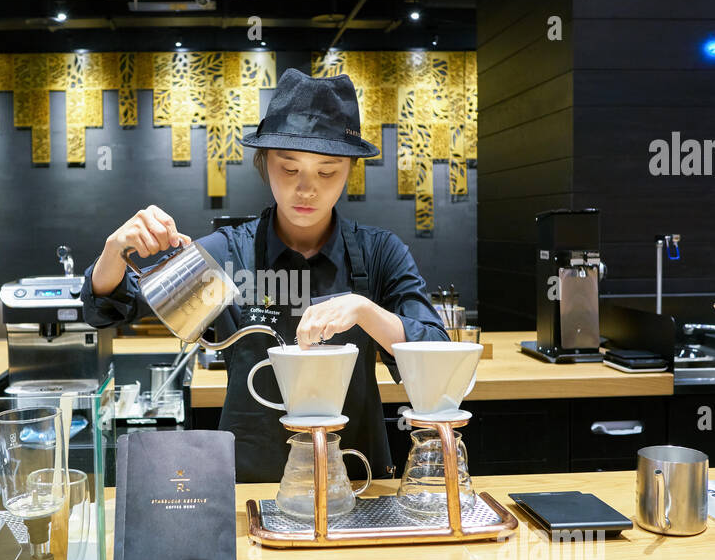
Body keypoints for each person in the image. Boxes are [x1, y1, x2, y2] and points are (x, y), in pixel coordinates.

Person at [81, 67, 449, 482]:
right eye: (289, 169)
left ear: (349, 169)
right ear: (264, 163)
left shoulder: (379, 253)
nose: (306, 188)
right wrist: (114, 253)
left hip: (356, 477)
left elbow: (437, 357)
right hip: (252, 484)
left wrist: (365, 310)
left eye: (327, 171)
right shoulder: (232, 253)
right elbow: (109, 309)